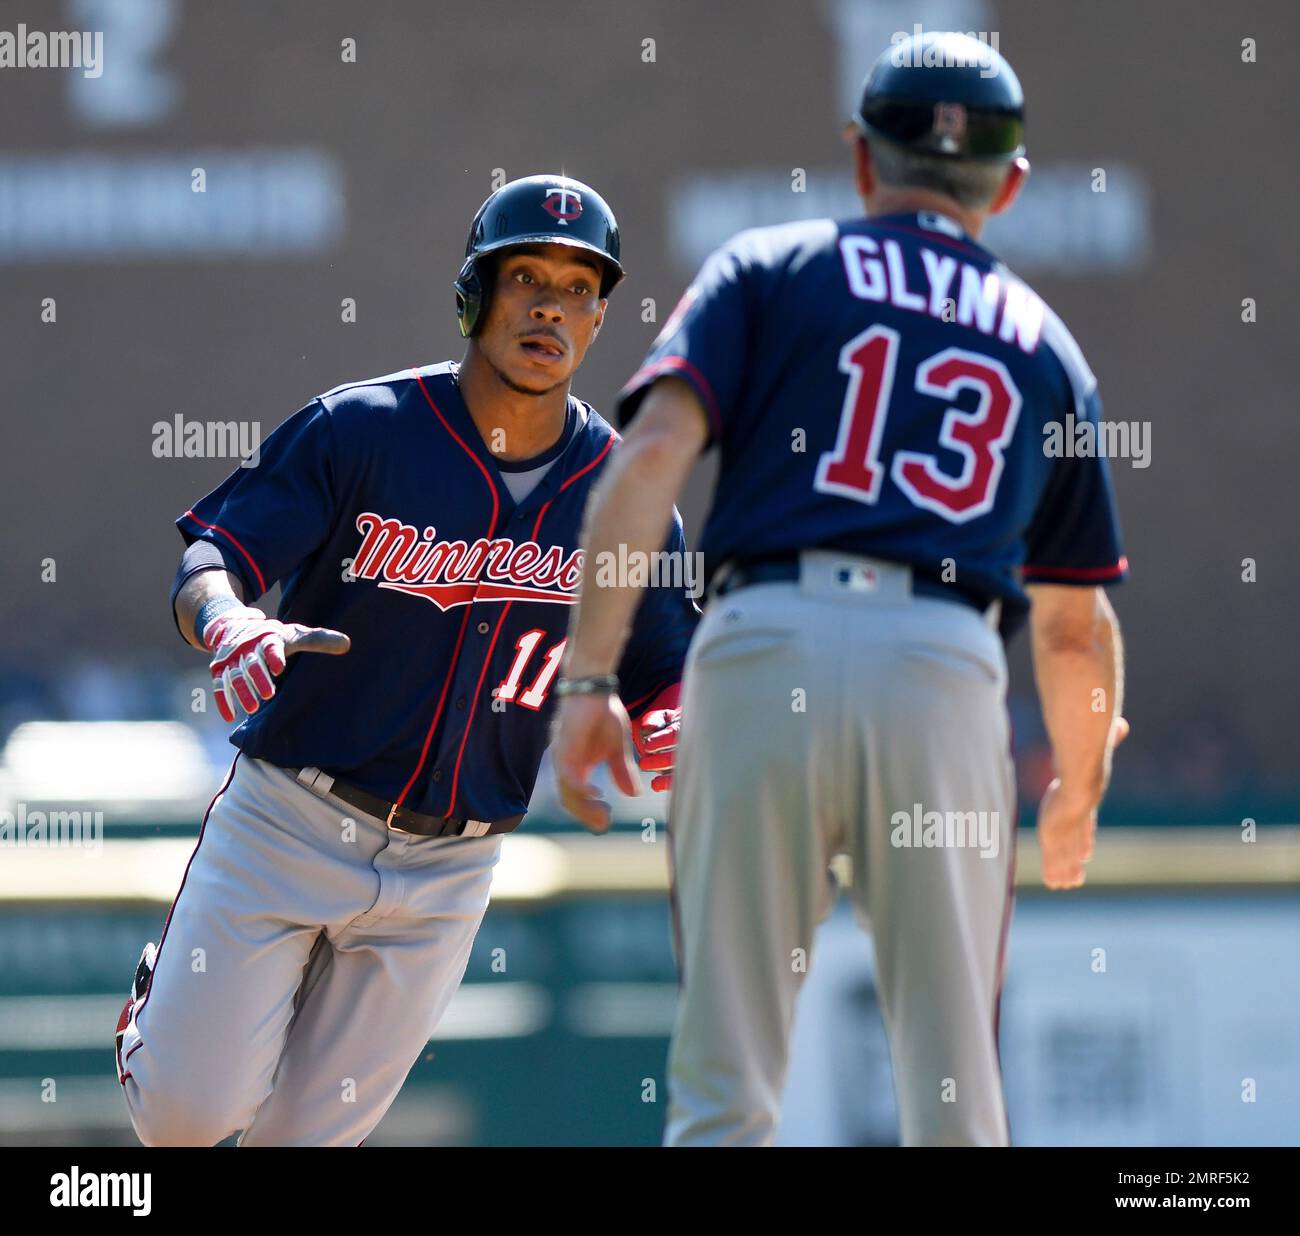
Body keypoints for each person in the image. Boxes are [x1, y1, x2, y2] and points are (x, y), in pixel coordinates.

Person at [550, 33, 1129, 1146]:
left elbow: (651, 456)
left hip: (766, 641)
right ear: (1007, 186)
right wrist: (1081, 787)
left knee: (725, 1079)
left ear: (862, 160)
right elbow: (1069, 624)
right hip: (941, 662)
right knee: (954, 1089)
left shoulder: (769, 267)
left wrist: (587, 676)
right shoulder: (1047, 346)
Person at [114, 174, 696, 1146]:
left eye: (577, 286)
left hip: (451, 869)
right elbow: (213, 556)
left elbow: (666, 662)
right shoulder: (364, 427)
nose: (550, 303)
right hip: (290, 820)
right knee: (186, 1119)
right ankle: (155, 1014)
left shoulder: (626, 492)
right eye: (524, 277)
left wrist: (683, 715)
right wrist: (225, 620)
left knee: (303, 1141)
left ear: (600, 316)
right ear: (474, 294)